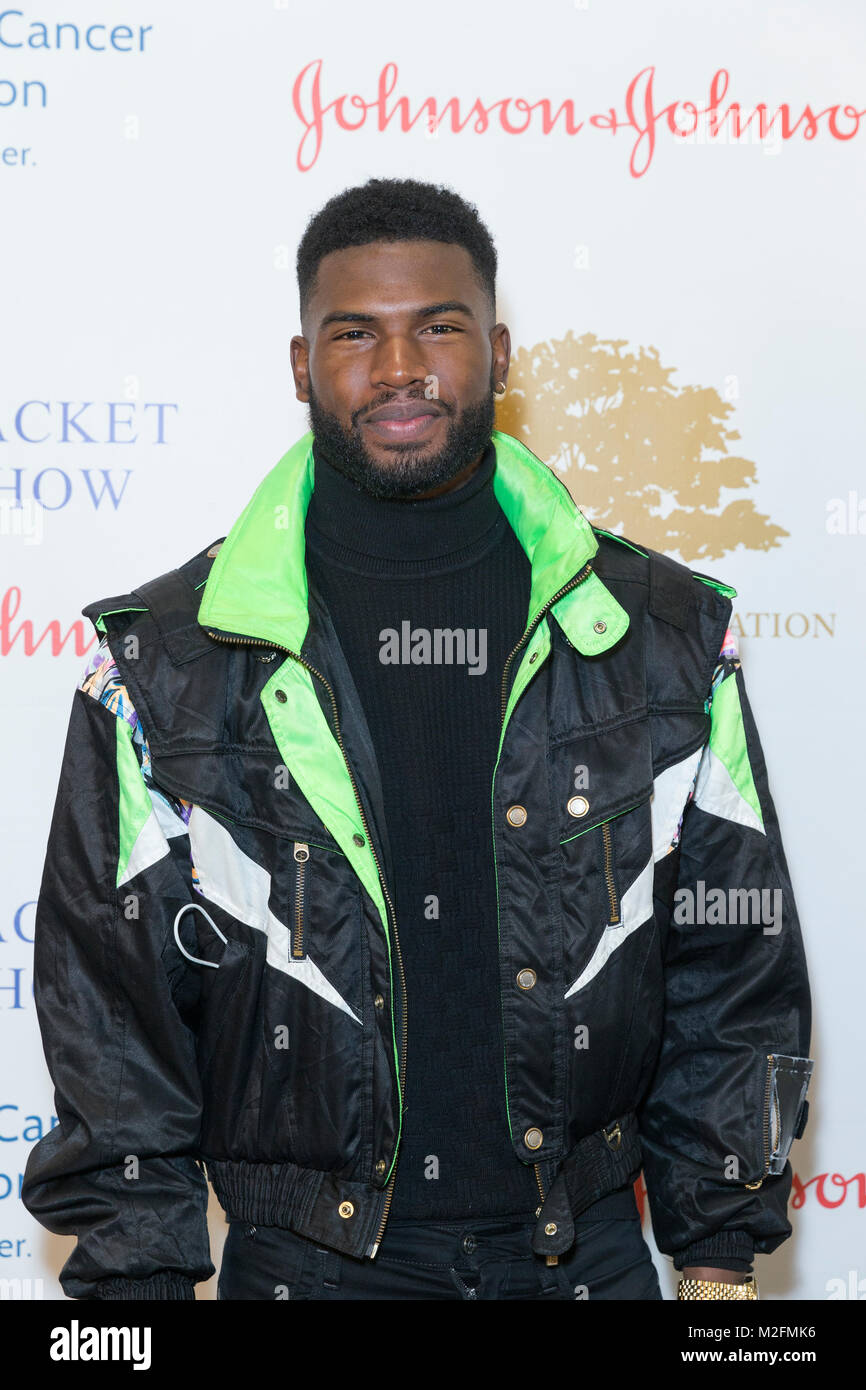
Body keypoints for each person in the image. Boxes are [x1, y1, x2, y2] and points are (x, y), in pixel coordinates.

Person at [22, 177, 812, 1301]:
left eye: (435, 328)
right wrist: (137, 1295)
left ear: (495, 352)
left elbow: (734, 968)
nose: (399, 368)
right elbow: (111, 1017)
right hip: (304, 1273)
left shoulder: (665, 634)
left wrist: (719, 1256)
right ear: (300, 365)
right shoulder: (164, 666)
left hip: (583, 1262)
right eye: (355, 334)